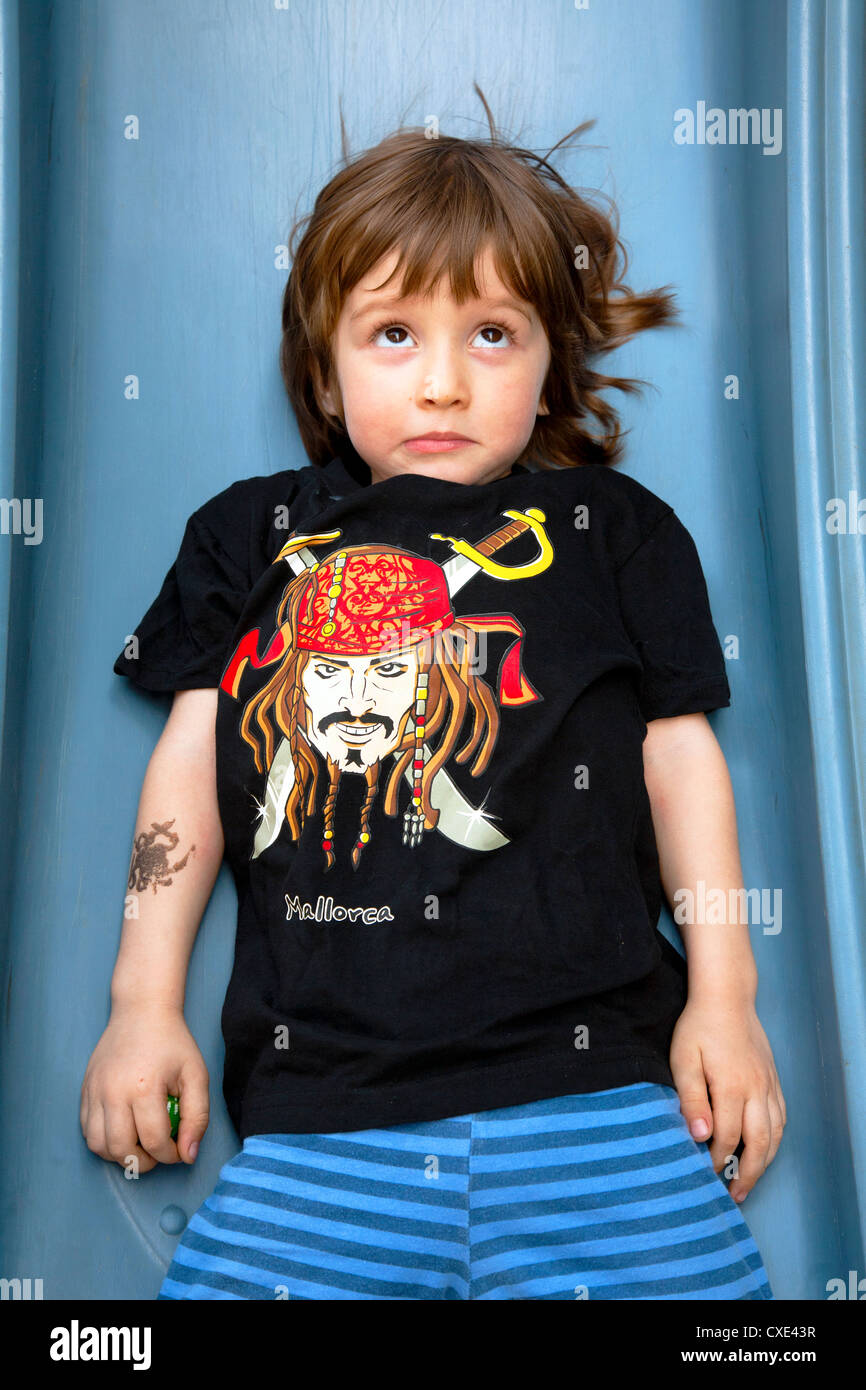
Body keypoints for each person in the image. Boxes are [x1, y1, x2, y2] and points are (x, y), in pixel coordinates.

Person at [81, 106, 785, 1300]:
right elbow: (187, 783)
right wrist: (139, 1006)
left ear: (549, 358)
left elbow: (681, 764)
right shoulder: (249, 532)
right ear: (325, 363)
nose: (445, 381)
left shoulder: (615, 532)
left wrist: (727, 998)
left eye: (494, 334)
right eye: (394, 333)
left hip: (599, 1106)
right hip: (322, 1123)